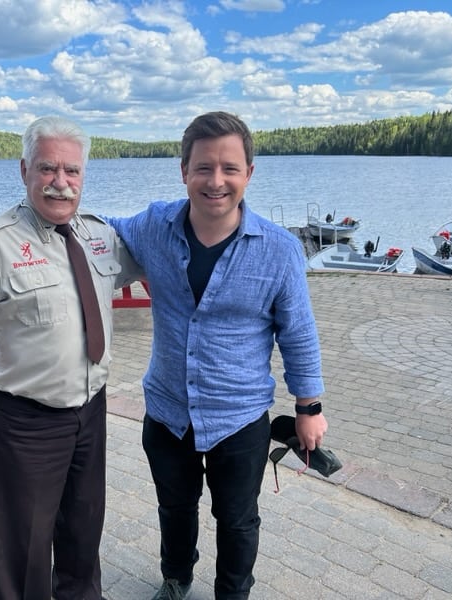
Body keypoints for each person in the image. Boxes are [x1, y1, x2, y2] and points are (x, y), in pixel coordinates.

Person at [105, 111, 328, 600]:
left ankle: (233, 593)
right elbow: (100, 232)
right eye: (203, 167)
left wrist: (309, 408)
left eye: (229, 168)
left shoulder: (279, 250)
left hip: (240, 416)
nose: (216, 181)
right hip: (167, 410)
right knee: (175, 508)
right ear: (183, 171)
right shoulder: (154, 226)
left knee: (238, 520)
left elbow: (299, 334)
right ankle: (176, 578)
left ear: (249, 173)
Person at [0, 115, 141, 600]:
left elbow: (155, 263)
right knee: (24, 550)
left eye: (72, 172)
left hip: (91, 411)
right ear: (24, 169)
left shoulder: (99, 236)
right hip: (27, 421)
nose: (61, 183)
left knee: (83, 534)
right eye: (48, 169)